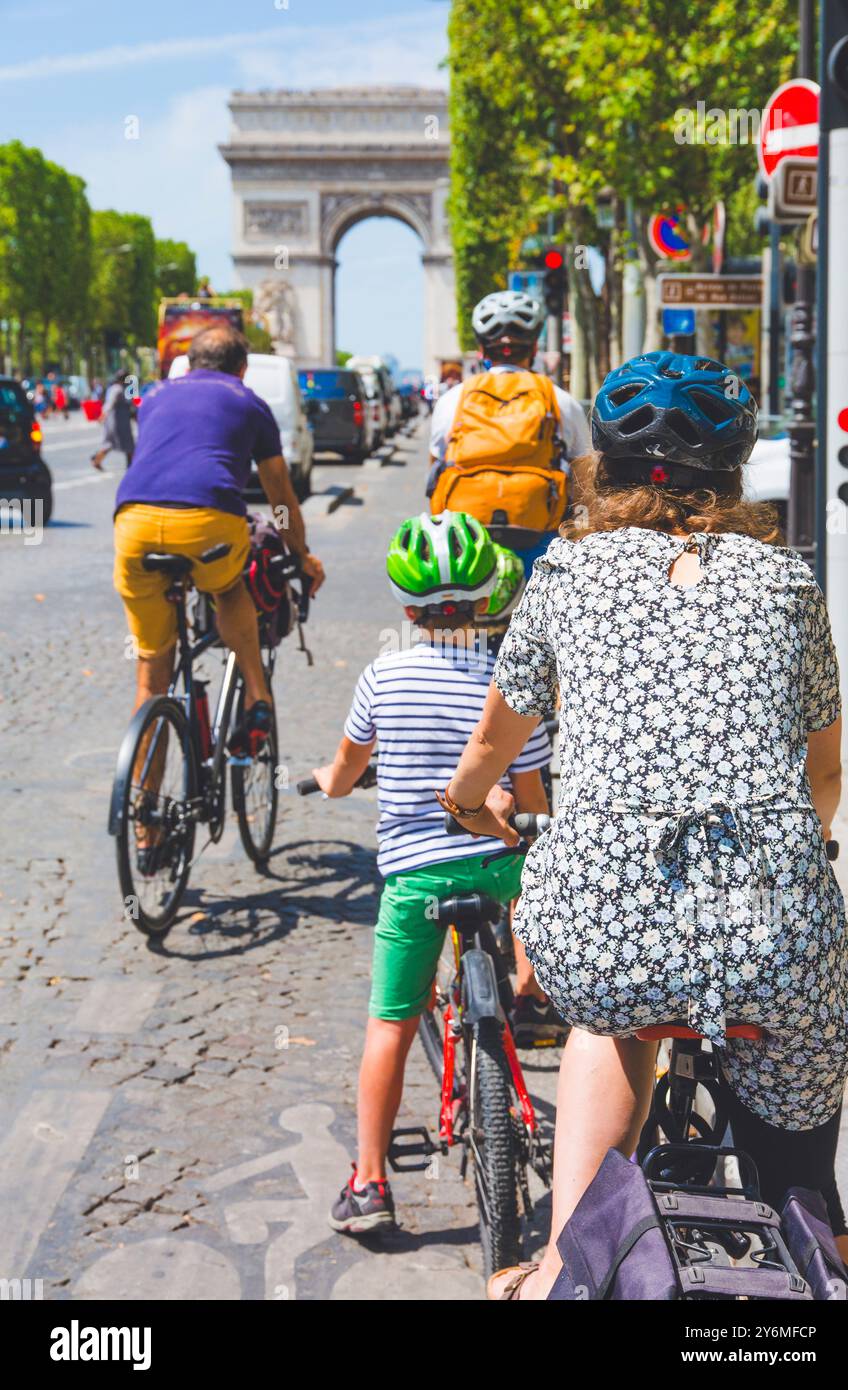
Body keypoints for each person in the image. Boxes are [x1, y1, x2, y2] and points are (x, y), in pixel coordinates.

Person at [440, 350, 848, 1298]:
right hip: (773, 934)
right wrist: (790, 841)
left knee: (606, 1016)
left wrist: (472, 806)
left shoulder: (566, 574)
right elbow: (824, 774)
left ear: (606, 465)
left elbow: (491, 751)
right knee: (803, 1088)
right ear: (737, 469)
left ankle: (561, 1262)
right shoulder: (788, 583)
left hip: (602, 924)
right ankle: (821, 1239)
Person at [307, 511, 552, 1233]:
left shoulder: (382, 676)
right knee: (523, 871)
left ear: (407, 607)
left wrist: (327, 779)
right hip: (496, 865)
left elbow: (347, 771)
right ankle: (530, 982)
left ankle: (370, 1182)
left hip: (415, 881)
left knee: (388, 1022)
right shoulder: (512, 684)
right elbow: (533, 810)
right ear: (488, 597)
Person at [113, 324, 325, 763]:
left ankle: (146, 822)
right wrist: (300, 554)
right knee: (229, 587)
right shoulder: (249, 402)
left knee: (151, 680)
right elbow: (279, 495)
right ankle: (257, 695)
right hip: (208, 522)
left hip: (133, 524)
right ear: (242, 369)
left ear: (189, 364)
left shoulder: (153, 396)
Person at [427, 290, 591, 576]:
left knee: (464, 618)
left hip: (466, 543)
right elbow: (585, 476)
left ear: (481, 348)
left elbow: (436, 471)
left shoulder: (452, 399)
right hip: (539, 535)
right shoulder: (560, 400)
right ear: (533, 348)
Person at [91, 369, 136, 471]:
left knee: (116, 444)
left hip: (121, 421)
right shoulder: (117, 389)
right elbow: (109, 404)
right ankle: (97, 460)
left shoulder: (122, 388)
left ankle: (130, 465)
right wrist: (103, 415)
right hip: (117, 422)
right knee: (122, 444)